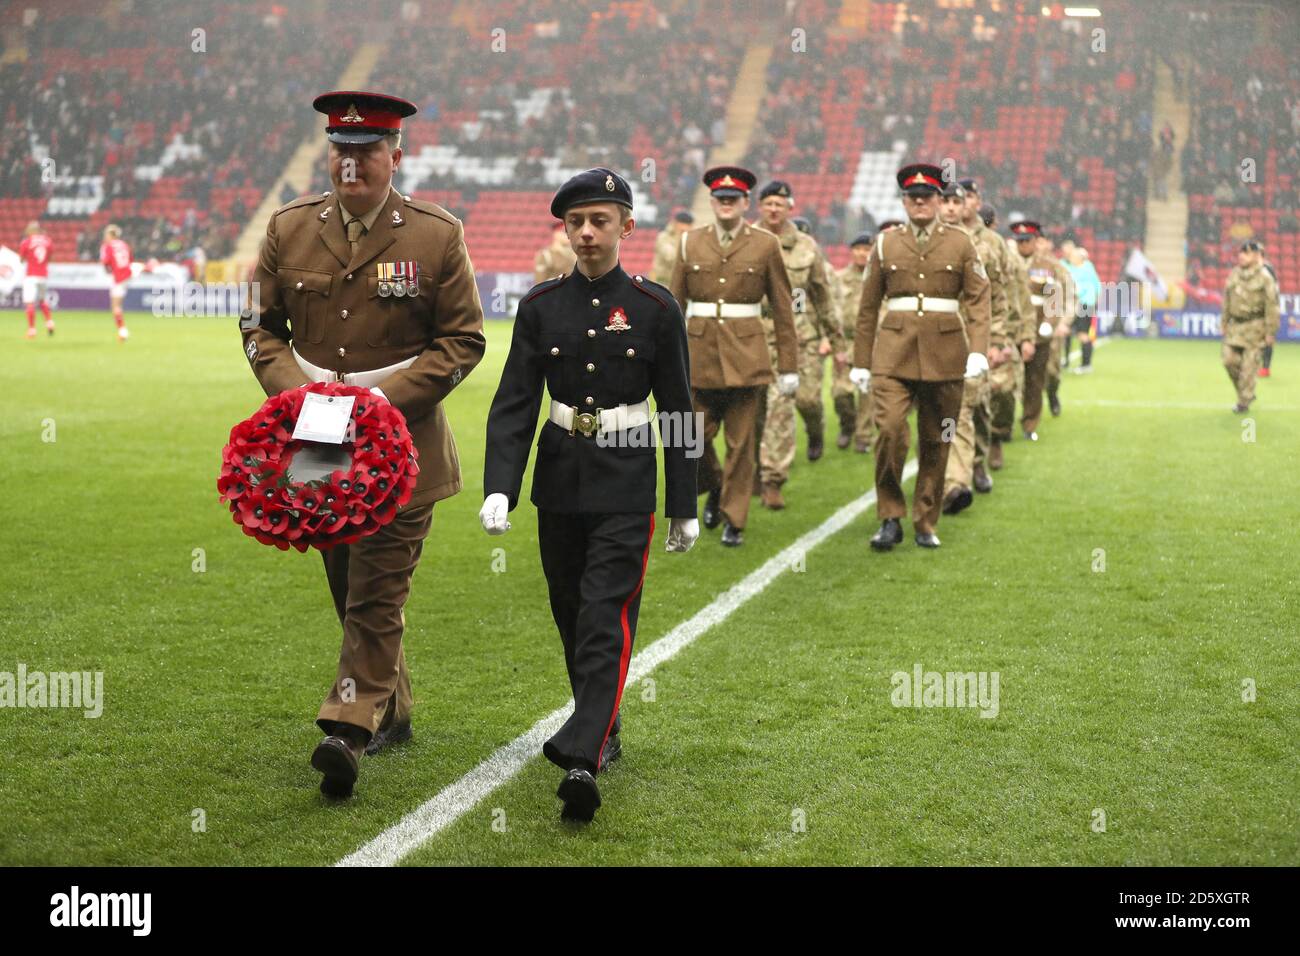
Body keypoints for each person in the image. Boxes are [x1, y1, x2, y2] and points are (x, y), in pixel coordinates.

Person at [240, 90, 486, 798]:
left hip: (400, 445)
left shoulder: (436, 235)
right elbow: (259, 328)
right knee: (348, 585)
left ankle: (347, 729)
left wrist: (378, 406)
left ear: (395, 157)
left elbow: (463, 341)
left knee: (376, 592)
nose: (352, 165)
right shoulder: (288, 228)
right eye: (341, 151)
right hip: (317, 443)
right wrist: (300, 398)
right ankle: (393, 707)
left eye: (367, 152)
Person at [480, 168, 698, 822]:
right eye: (575, 222)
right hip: (560, 479)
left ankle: (583, 751)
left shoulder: (657, 308)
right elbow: (515, 403)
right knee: (572, 610)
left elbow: (679, 410)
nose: (586, 232)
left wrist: (685, 503)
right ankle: (604, 724)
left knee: (605, 611)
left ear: (627, 226)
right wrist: (501, 488)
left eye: (600, 220)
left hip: (627, 480)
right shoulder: (542, 304)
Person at [851, 163, 990, 550]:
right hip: (892, 356)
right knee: (891, 431)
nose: (920, 203)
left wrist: (978, 350)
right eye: (913, 197)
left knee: (938, 438)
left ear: (938, 200)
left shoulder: (961, 243)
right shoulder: (886, 243)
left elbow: (979, 297)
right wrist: (861, 361)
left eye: (927, 197)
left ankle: (926, 521)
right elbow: (867, 307)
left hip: (946, 356)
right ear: (904, 201)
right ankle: (890, 516)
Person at [668, 165, 798, 548]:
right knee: (689, 439)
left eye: (733, 200)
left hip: (747, 358)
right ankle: (714, 484)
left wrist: (789, 366)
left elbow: (783, 307)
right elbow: (675, 305)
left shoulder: (765, 244)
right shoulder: (689, 243)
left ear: (745, 203)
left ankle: (734, 519)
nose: (726, 205)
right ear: (712, 203)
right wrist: (665, 360)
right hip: (698, 356)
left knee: (742, 446)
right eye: (720, 200)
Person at [753, 180, 844, 510]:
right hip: (755, 336)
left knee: (799, 399)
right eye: (768, 203)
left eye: (780, 203)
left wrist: (836, 340)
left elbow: (822, 295)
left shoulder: (807, 247)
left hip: (799, 335)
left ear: (790, 207)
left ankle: (811, 433)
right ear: (759, 206)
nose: (774, 209)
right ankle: (765, 476)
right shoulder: (747, 241)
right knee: (759, 407)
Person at [941, 178, 1018, 511]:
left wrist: (999, 340)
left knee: (979, 405)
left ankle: (978, 460)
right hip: (940, 335)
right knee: (952, 411)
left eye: (967, 198)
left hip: (977, 336)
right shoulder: (934, 238)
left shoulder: (992, 243)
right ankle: (952, 480)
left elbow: (1001, 294)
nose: (958, 206)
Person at [1010, 221, 1073, 440]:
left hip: (1039, 333)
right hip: (1011, 331)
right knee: (1007, 381)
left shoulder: (1049, 267)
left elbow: (1054, 298)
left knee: (1035, 381)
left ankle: (1029, 424)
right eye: (1020, 241)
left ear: (1036, 241)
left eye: (1027, 240)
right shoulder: (1008, 262)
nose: (1023, 244)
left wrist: (1049, 323)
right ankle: (1003, 424)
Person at [834, 231, 884, 453]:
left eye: (867, 249)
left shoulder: (881, 278)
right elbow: (829, 310)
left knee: (867, 393)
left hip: (873, 342)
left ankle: (863, 436)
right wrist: (829, 340)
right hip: (845, 343)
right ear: (851, 252)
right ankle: (847, 425)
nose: (862, 254)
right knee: (841, 393)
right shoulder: (838, 279)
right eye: (858, 249)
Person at [1221, 240, 1279, 413]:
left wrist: (1271, 331)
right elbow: (1227, 299)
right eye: (1241, 252)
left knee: (1248, 369)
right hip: (1236, 328)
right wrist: (1224, 321)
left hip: (1256, 328)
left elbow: (1272, 305)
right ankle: (1246, 392)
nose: (1241, 256)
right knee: (1228, 360)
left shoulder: (1265, 277)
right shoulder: (1234, 274)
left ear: (1255, 256)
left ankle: (1243, 403)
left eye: (1246, 253)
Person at [18, 221, 54, 338]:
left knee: (30, 303)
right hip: (43, 275)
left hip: (31, 276)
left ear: (32, 230)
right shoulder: (47, 241)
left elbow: (21, 259)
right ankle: (49, 322)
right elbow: (50, 257)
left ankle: (32, 330)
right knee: (43, 300)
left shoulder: (26, 242)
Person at [100, 224, 133, 342]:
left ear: (111, 235)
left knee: (115, 306)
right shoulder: (124, 244)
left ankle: (123, 331)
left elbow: (105, 262)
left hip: (119, 277)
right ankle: (122, 330)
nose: (105, 237)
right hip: (128, 274)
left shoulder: (108, 246)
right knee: (118, 305)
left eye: (106, 235)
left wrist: (108, 270)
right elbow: (130, 259)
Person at [650, 210, 694, 285]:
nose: (685, 228)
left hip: (684, 284)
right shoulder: (664, 237)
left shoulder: (693, 238)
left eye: (688, 225)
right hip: (663, 282)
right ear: (675, 223)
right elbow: (670, 257)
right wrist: (680, 237)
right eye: (682, 224)